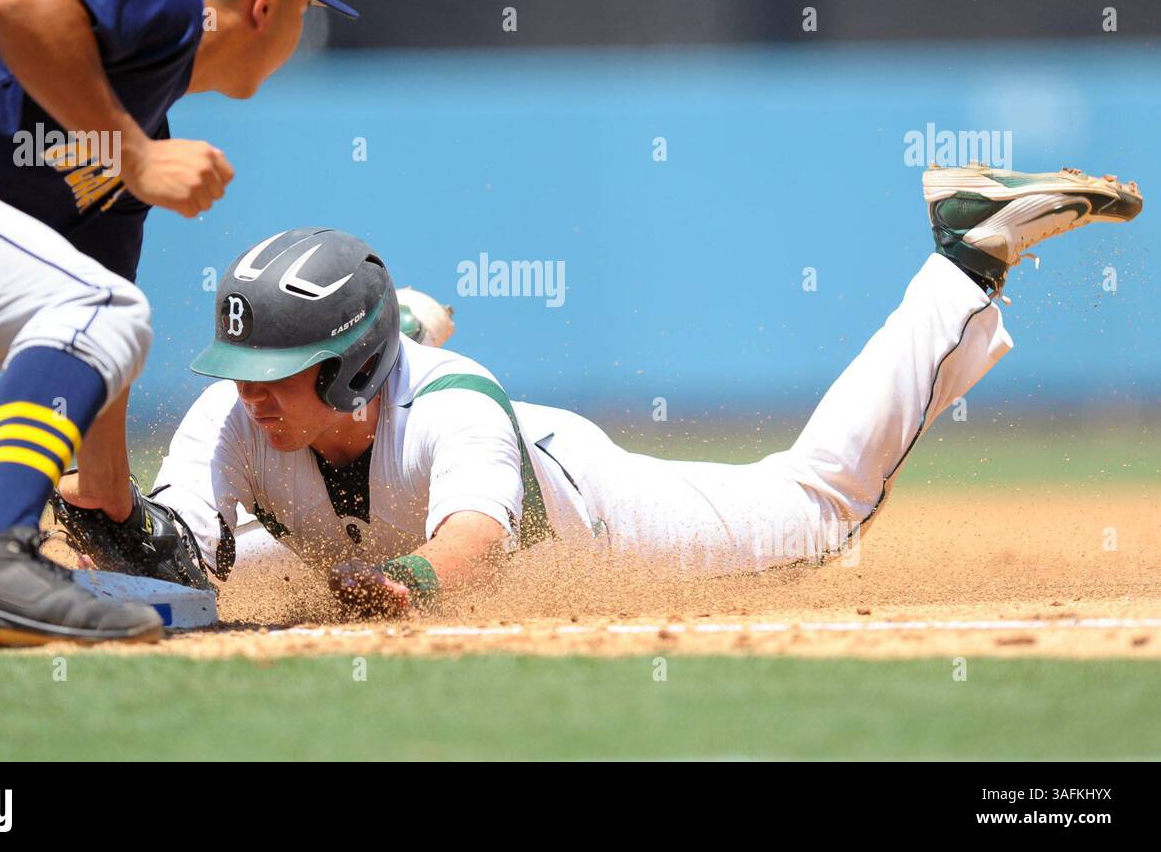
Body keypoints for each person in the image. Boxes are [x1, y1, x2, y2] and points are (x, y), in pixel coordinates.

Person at [55, 165, 1142, 618]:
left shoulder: (458, 410)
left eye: (275, 375)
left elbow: (471, 545)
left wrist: (399, 588)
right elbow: (181, 546)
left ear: (345, 366)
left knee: (818, 507)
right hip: (404, 448)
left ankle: (964, 260)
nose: (248, 398)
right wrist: (112, 533)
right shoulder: (234, 415)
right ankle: (419, 317)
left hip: (587, 498)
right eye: (238, 374)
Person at [0, 0, 356, 645]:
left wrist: (107, 496)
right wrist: (136, 156)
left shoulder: (133, 114)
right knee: (97, 313)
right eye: (304, 11)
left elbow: (96, 325)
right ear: (266, 4)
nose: (298, 30)